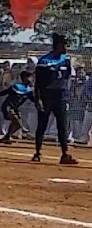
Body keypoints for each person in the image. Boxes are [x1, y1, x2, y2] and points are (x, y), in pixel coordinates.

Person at [33, 33, 79, 165]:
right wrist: (38, 99)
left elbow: (66, 78)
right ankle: (37, 152)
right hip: (47, 97)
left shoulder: (66, 60)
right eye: (64, 44)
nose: (66, 47)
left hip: (61, 98)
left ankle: (65, 154)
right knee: (42, 126)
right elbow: (38, 83)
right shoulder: (44, 61)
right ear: (58, 45)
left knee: (62, 126)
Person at [0, 70, 37, 145]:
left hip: (14, 108)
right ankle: (22, 128)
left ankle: (7, 137)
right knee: (15, 119)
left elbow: (34, 100)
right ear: (24, 78)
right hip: (7, 107)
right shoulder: (17, 86)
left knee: (16, 124)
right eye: (28, 77)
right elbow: (4, 92)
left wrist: (41, 105)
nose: (31, 79)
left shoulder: (29, 90)